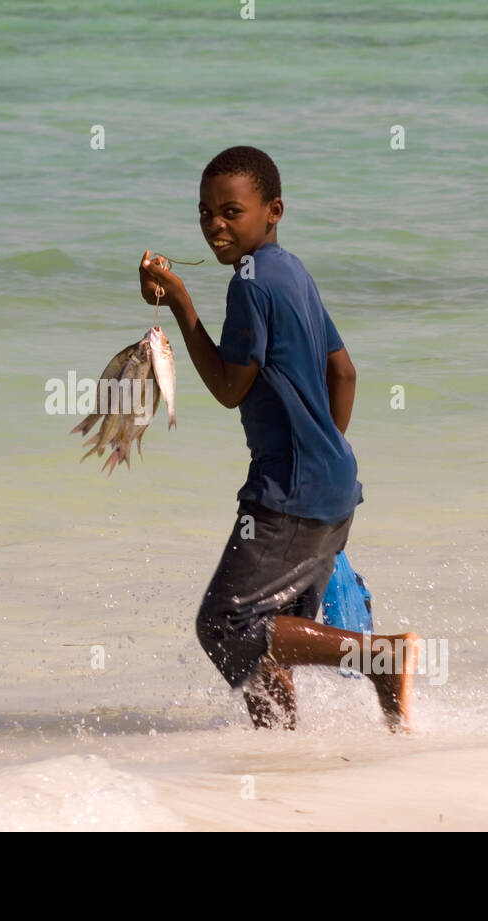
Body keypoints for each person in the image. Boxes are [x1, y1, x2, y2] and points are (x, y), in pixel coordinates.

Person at [138, 145, 420, 731]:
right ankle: (279, 753)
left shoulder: (248, 285)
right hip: (330, 485)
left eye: (231, 211)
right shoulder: (292, 271)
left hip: (288, 493)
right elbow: (344, 372)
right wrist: (324, 456)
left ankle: (382, 658)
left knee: (226, 625)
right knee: (267, 641)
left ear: (273, 210)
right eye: (204, 212)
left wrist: (183, 302)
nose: (215, 223)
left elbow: (228, 387)